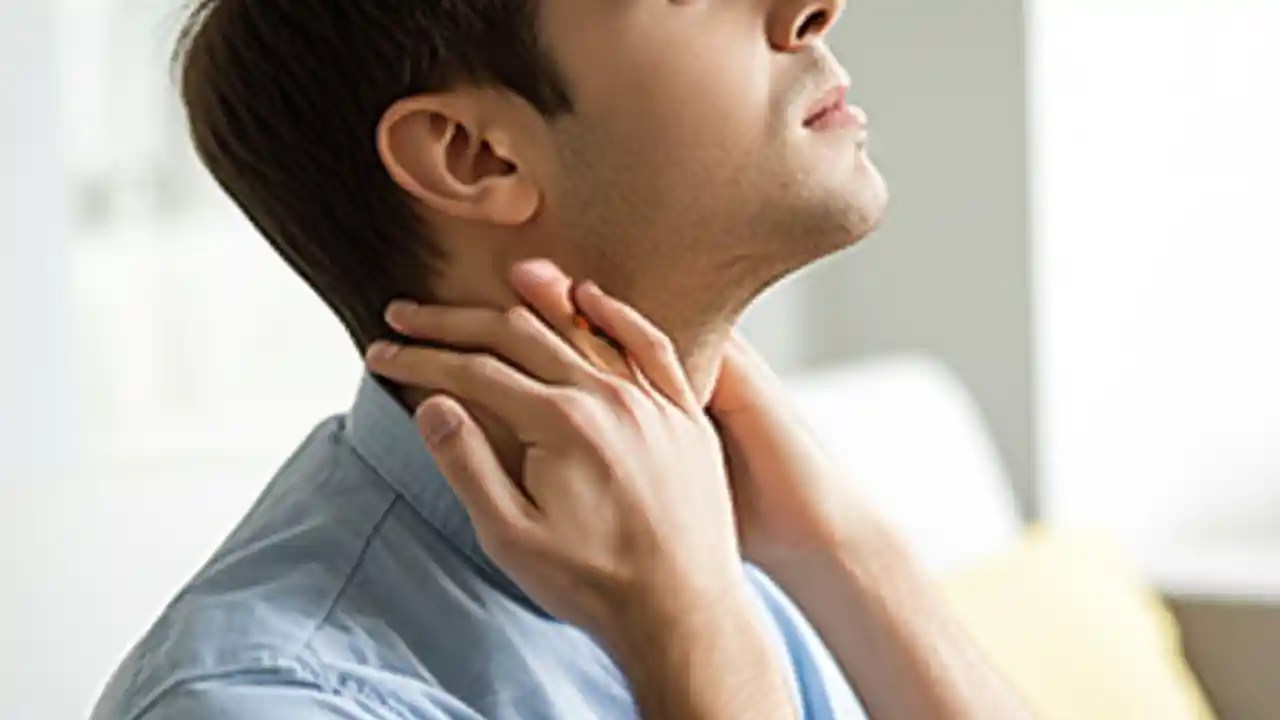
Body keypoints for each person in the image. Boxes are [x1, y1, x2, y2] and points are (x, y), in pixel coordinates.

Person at [92, 0, 1028, 718]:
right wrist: (699, 647)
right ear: (474, 154)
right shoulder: (263, 700)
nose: (813, 7)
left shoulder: (766, 556)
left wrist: (852, 558)